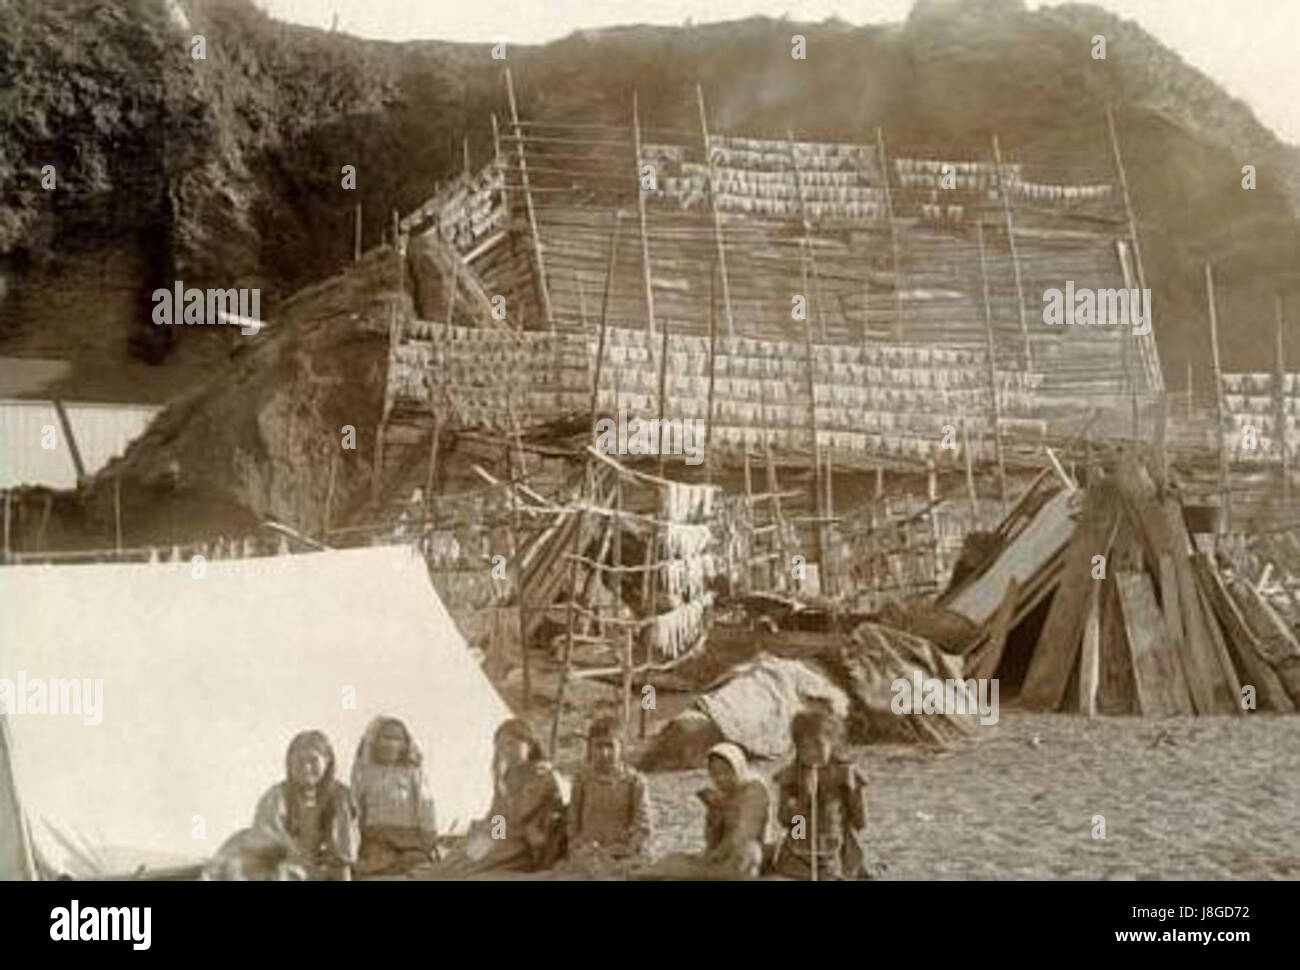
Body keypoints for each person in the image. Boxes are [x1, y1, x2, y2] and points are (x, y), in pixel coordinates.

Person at [204, 730, 359, 881]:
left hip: (314, 863)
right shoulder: (277, 795)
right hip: (272, 857)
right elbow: (266, 837)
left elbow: (342, 853)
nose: (306, 768)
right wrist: (293, 854)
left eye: (313, 760)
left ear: (327, 761)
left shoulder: (340, 797)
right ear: (289, 764)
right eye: (299, 761)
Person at [436, 719, 567, 876]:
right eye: (501, 746)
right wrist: (490, 831)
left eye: (512, 744)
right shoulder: (510, 775)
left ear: (530, 745)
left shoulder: (540, 774)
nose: (506, 750)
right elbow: (498, 814)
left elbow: (523, 813)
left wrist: (496, 833)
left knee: (474, 862)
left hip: (525, 841)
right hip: (503, 835)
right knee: (462, 854)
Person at [633, 742, 769, 881]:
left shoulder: (754, 789)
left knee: (746, 854)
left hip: (742, 858)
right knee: (673, 860)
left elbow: (744, 835)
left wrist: (718, 852)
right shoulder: (723, 794)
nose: (721, 778)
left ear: (738, 767)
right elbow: (711, 841)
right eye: (715, 774)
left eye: (726, 771)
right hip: (720, 857)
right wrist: (713, 812)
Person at [769, 710, 869, 881]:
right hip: (797, 854)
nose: (811, 753)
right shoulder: (791, 777)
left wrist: (854, 793)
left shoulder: (845, 774)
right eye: (804, 747)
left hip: (835, 852)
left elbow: (860, 822)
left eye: (818, 745)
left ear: (832, 743)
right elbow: (788, 824)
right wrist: (803, 801)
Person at [559, 715, 653, 877]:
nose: (604, 753)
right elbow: (572, 823)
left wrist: (628, 849)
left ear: (621, 747)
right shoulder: (582, 780)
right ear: (590, 748)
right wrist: (580, 846)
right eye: (598, 746)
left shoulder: (634, 781)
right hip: (589, 854)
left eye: (610, 746)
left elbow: (643, 825)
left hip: (623, 854)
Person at [350, 716, 440, 876]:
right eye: (385, 738)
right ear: (374, 741)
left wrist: (429, 835)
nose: (390, 744)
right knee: (375, 863)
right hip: (377, 837)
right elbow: (355, 806)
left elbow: (426, 804)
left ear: (405, 744)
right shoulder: (365, 771)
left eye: (396, 739)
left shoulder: (412, 772)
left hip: (409, 838)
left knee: (416, 862)